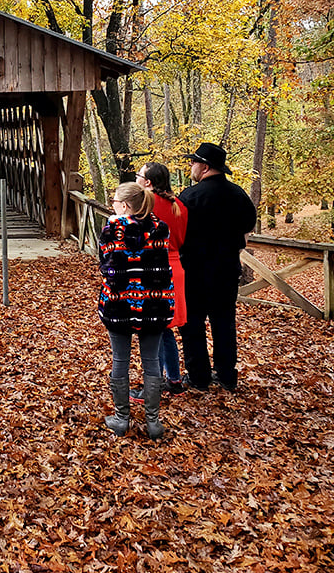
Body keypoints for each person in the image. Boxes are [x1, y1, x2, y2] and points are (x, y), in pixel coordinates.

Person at [178, 142, 257, 393]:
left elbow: (176, 233)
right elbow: (247, 230)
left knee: (193, 324)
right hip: (225, 270)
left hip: (194, 271)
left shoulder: (189, 197)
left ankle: (199, 376)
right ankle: (226, 375)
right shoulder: (239, 195)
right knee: (224, 322)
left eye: (193, 162)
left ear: (204, 166)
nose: (191, 166)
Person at [98, 182, 175, 439]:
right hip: (154, 304)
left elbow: (105, 264)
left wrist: (113, 224)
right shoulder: (160, 228)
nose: (112, 206)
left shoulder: (112, 229)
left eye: (115, 202)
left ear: (124, 205)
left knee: (120, 360)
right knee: (151, 362)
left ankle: (122, 418)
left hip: (120, 303)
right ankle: (153, 422)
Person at [131, 162, 188, 400]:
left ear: (148, 182)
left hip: (152, 268)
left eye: (138, 176)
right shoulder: (179, 205)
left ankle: (152, 386)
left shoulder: (145, 205)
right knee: (164, 329)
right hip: (174, 267)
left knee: (151, 331)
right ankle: (173, 380)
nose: (136, 179)